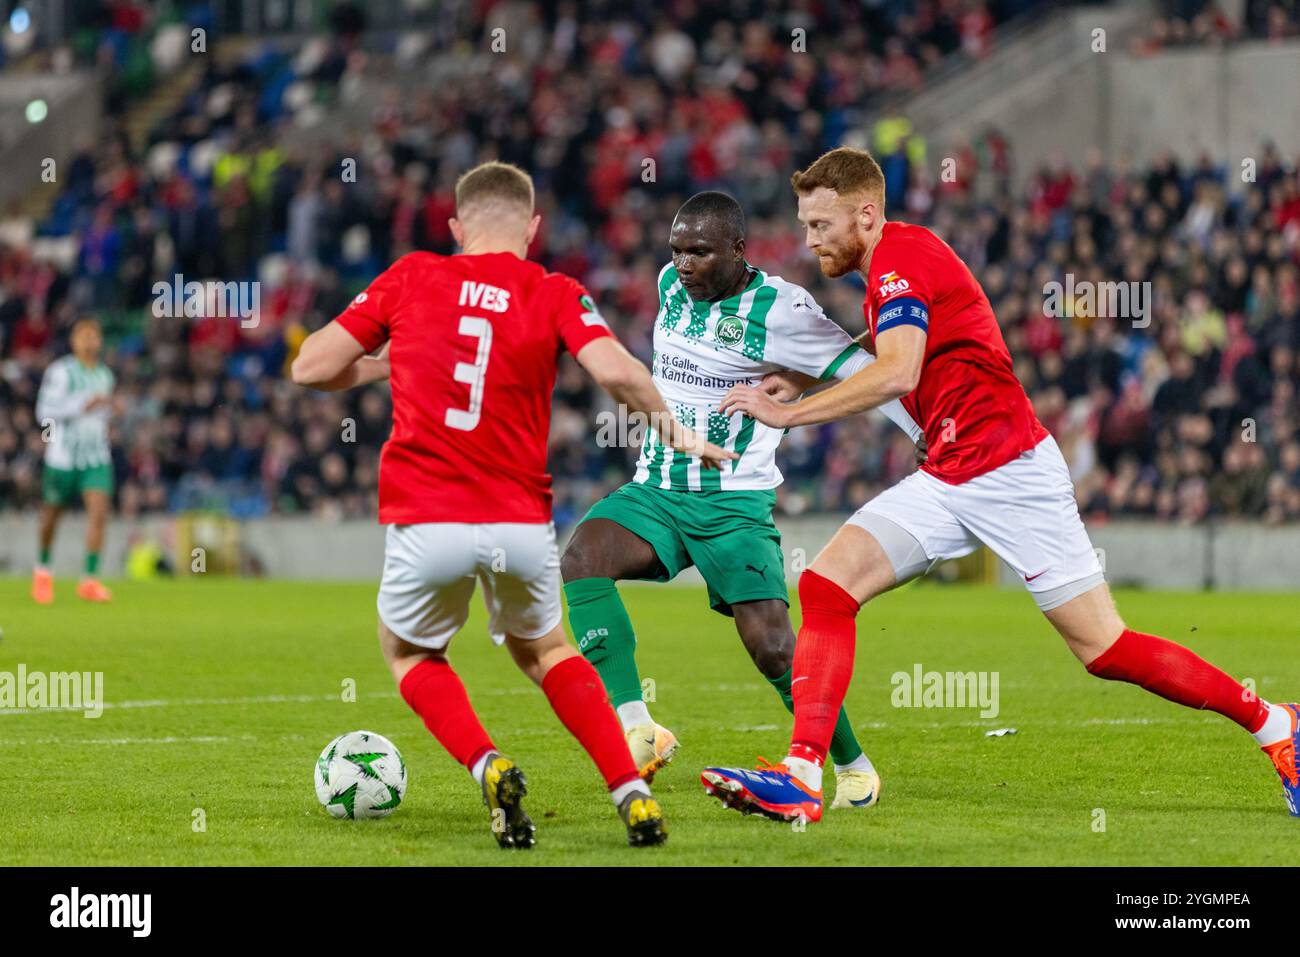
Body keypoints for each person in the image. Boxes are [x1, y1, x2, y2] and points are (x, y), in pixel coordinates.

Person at [701, 147, 1298, 822]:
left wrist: (788, 411)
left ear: (865, 215)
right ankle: (803, 774)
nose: (810, 241)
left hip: (1011, 471)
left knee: (1105, 650)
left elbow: (898, 371)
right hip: (950, 473)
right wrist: (804, 376)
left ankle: (1277, 725)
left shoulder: (902, 259)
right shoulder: (895, 263)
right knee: (827, 584)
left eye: (820, 224)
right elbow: (900, 346)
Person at [292, 160, 733, 847]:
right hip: (518, 520)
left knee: (411, 655)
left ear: (455, 225)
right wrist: (678, 432)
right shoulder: (552, 289)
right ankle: (632, 792)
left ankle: (488, 762)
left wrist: (388, 358)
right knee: (548, 650)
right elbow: (618, 369)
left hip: (425, 513)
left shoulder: (411, 276)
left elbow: (310, 366)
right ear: (532, 227)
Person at [562, 190, 923, 811]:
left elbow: (865, 366)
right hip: (657, 490)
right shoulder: (670, 287)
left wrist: (922, 431)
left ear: (737, 249)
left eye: (699, 252)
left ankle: (854, 767)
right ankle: (637, 727)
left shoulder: (783, 309)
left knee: (774, 648)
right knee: (581, 559)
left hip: (733, 506)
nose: (683, 265)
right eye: (677, 251)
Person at [32, 317, 117, 605]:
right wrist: (82, 406)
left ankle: (89, 580)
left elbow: (101, 417)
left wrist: (111, 410)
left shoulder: (105, 376)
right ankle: (43, 570)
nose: (90, 341)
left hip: (96, 456)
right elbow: (44, 413)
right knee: (51, 517)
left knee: (99, 513)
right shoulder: (60, 371)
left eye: (94, 335)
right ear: (74, 341)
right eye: (84, 336)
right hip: (63, 457)